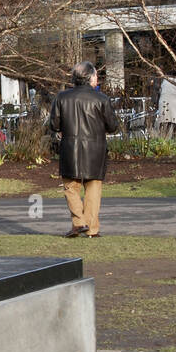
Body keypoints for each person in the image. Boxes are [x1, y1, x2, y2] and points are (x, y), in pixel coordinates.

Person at [49, 61, 120, 238]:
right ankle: (91, 229)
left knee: (71, 188)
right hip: (95, 149)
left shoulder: (62, 97)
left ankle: (79, 223)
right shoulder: (102, 99)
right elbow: (113, 126)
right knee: (93, 189)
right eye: (96, 75)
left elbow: (54, 124)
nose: (97, 78)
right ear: (90, 77)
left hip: (70, 148)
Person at [156, 68, 176, 139]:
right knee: (175, 126)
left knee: (164, 125)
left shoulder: (165, 81)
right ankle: (175, 142)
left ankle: (162, 141)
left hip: (165, 106)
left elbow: (160, 92)